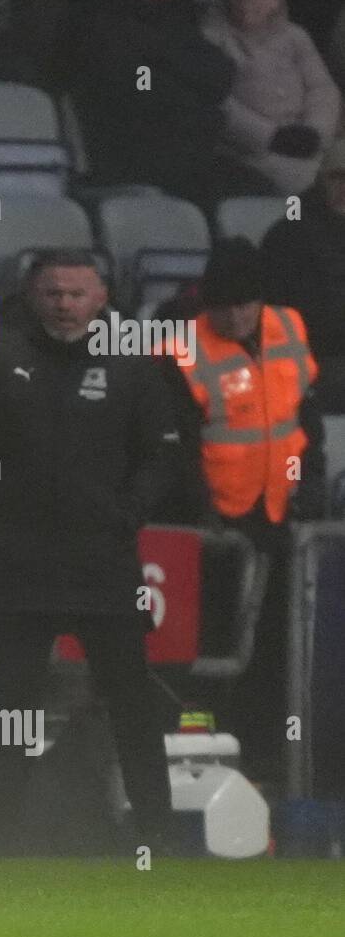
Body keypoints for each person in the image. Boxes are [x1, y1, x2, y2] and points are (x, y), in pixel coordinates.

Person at [0, 250, 179, 854]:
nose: (64, 304)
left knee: (132, 700)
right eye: (53, 292)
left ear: (102, 297)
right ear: (32, 296)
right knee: (13, 705)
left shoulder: (133, 362)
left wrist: (126, 513)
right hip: (18, 561)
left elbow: (163, 453)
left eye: (76, 293)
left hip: (102, 561)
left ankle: (156, 830)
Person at [164, 238, 322, 785]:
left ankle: (263, 761)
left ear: (260, 301)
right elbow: (178, 446)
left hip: (278, 520)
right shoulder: (183, 346)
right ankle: (201, 756)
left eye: (245, 304)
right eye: (223, 304)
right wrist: (201, 512)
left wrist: (307, 491)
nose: (234, 315)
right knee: (206, 650)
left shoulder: (290, 328)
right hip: (216, 527)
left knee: (275, 649)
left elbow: (306, 423)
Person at [73, 0, 236, 207]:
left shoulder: (181, 26)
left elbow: (220, 77)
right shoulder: (105, 27)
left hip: (194, 157)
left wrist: (159, 55)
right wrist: (188, 85)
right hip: (134, 157)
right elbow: (141, 88)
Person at [201, 0, 341, 197]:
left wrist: (316, 132)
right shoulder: (209, 38)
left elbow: (322, 89)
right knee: (309, 187)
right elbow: (213, 100)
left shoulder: (296, 36)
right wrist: (271, 136)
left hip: (310, 142)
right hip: (250, 153)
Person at [262, 139, 345, 413]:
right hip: (315, 358)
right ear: (321, 179)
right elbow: (285, 318)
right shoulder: (289, 236)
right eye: (338, 176)